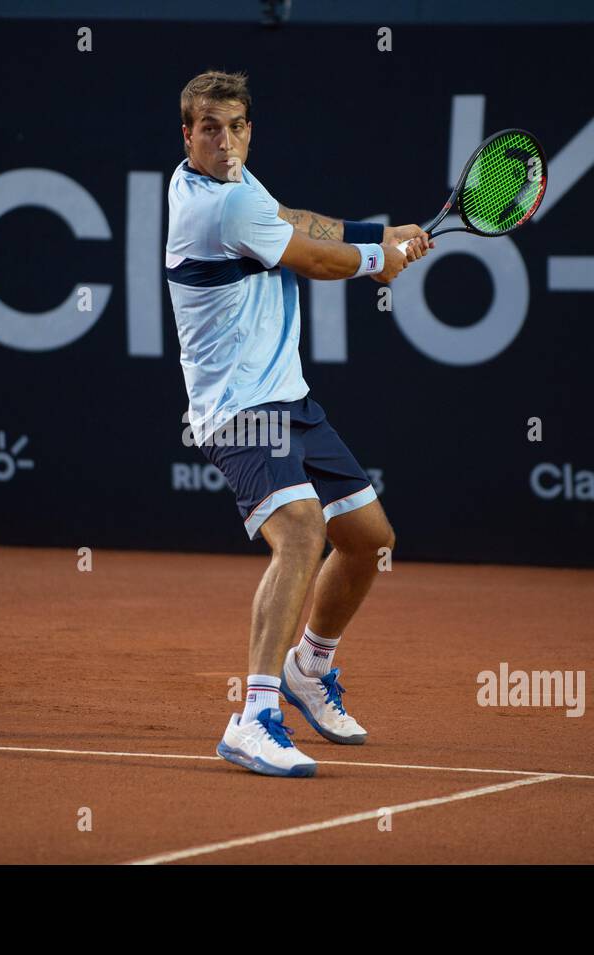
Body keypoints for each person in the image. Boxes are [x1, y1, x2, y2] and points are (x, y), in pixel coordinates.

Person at [166, 70, 431, 777]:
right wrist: (380, 260)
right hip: (239, 410)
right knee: (303, 533)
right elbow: (311, 257)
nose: (225, 141)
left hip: (290, 398)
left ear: (250, 129)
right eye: (210, 129)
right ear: (187, 134)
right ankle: (252, 716)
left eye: (236, 127)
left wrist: (382, 231)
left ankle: (309, 667)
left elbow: (293, 221)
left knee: (370, 540)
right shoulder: (212, 209)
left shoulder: (239, 188)